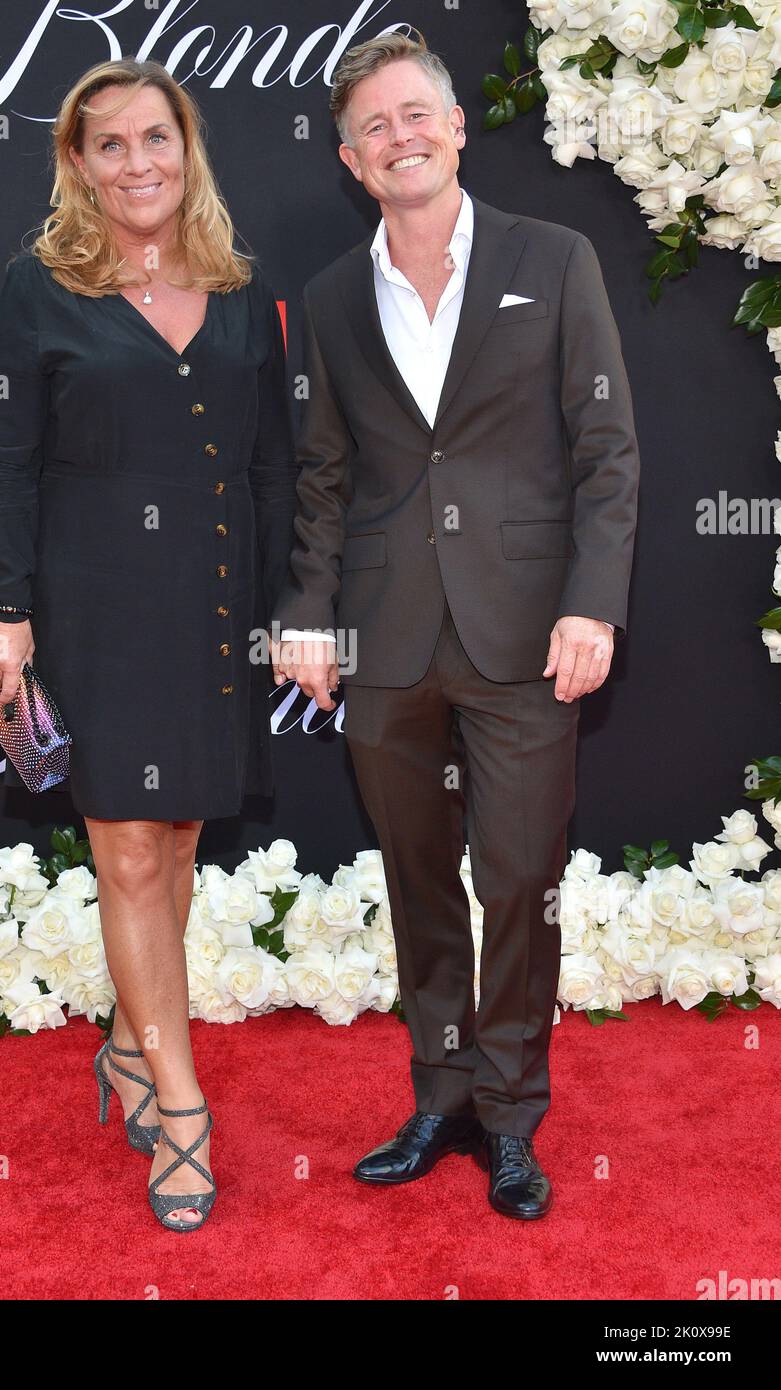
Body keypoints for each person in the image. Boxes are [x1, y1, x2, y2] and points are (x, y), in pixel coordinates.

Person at [271, 33, 639, 1220]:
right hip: (385, 640)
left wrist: (593, 600)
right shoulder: (329, 298)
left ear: (457, 125)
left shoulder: (557, 256)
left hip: (528, 630)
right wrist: (308, 615)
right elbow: (320, 477)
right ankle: (442, 1092)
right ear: (350, 158)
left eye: (417, 112)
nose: (401, 135)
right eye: (374, 125)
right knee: (419, 876)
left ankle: (513, 1112)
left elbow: (606, 452)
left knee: (519, 877)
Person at [0, 57, 297, 1231]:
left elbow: (272, 462)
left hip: (211, 600)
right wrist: (5, 605)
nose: (137, 161)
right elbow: (8, 457)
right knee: (130, 857)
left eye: (155, 137)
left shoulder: (242, 284)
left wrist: (284, 603)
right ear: (78, 162)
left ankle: (123, 1043)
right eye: (108, 144)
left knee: (184, 841)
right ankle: (181, 1103)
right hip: (95, 603)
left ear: (186, 147)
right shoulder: (37, 285)